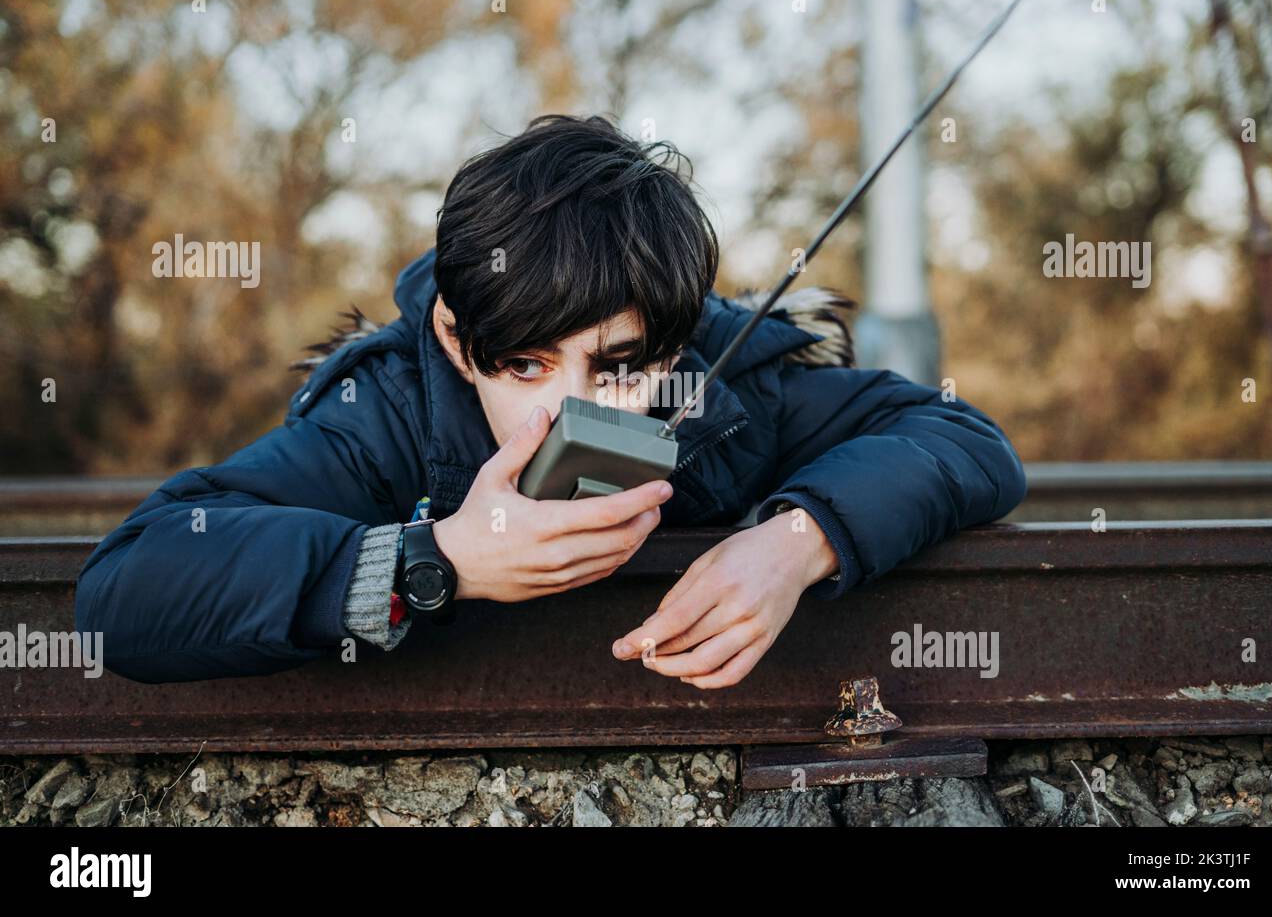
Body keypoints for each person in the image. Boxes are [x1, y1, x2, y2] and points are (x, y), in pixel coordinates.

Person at [74, 113, 1027, 685]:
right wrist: (432, 559)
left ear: (677, 337)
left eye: (617, 366)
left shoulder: (730, 383)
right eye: (525, 366)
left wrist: (797, 540)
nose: (566, 414)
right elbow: (124, 594)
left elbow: (963, 439)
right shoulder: (389, 412)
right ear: (457, 338)